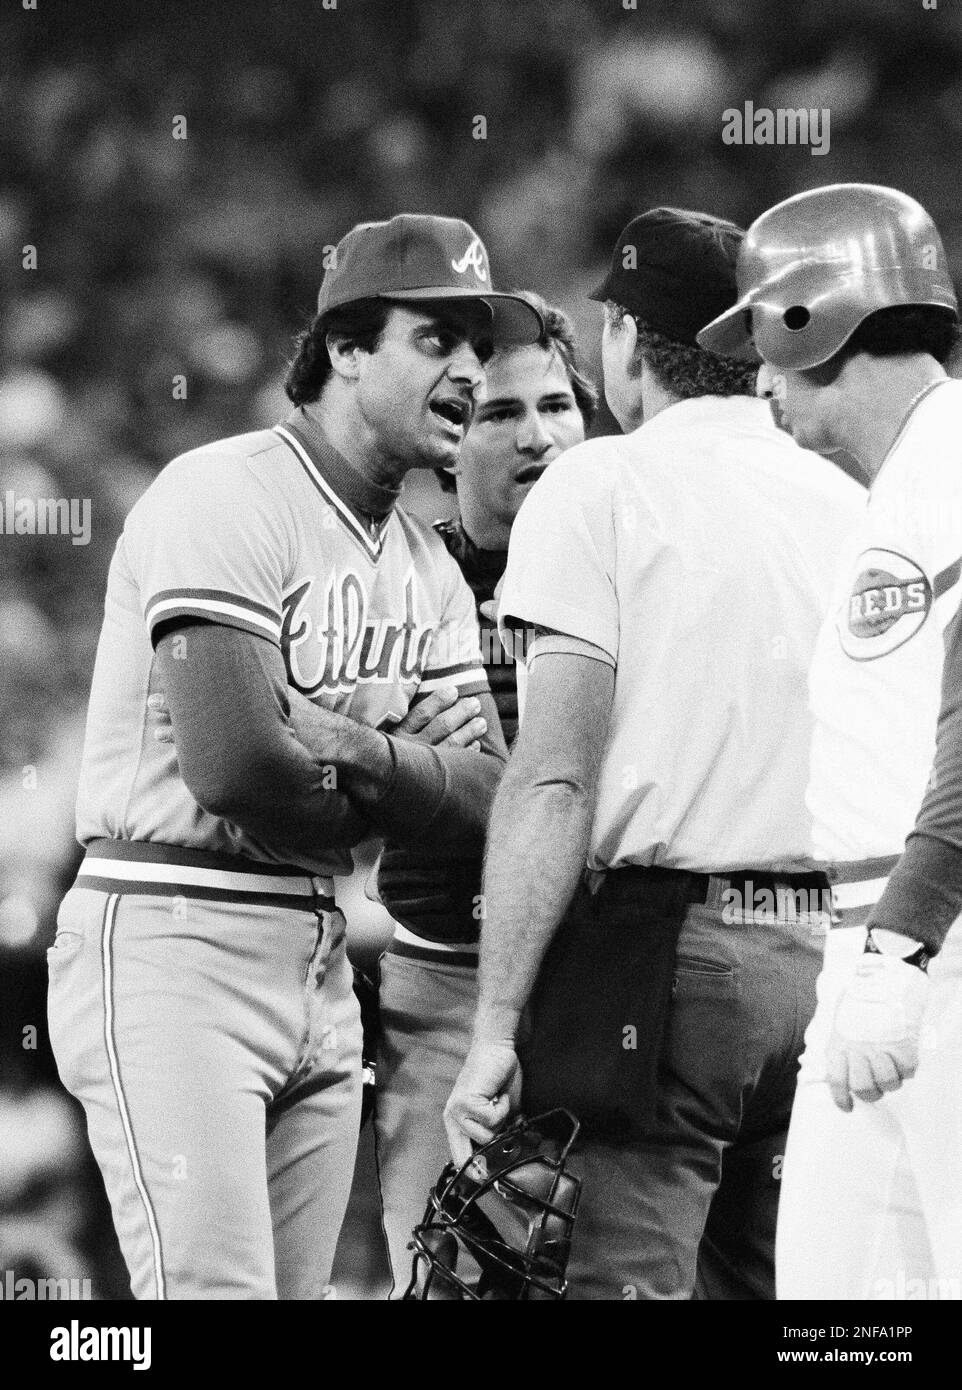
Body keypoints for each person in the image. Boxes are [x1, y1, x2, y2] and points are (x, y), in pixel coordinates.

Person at [46, 213, 542, 1299]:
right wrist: (394, 782)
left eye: (477, 345)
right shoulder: (224, 491)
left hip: (317, 951)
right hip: (174, 930)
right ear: (346, 349)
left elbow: (491, 800)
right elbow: (233, 767)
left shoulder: (427, 562)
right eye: (435, 339)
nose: (468, 370)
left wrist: (347, 749)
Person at [443, 207, 864, 1300]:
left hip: (669, 960)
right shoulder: (843, 495)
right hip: (828, 954)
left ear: (625, 341)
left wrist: (493, 1028)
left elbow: (552, 776)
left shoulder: (601, 484)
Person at [698, 182, 962, 1301]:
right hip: (875, 954)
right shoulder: (899, 485)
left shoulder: (951, 458)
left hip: (928, 942)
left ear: (811, 320)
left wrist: (900, 950)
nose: (756, 378)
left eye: (759, 338)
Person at [372, 295, 597, 1294]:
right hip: (443, 985)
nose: (539, 434)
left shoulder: (630, 564)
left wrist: (462, 775)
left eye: (557, 405)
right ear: (449, 441)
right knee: (448, 1284)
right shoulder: (390, 578)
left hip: (603, 985)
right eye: (503, 413)